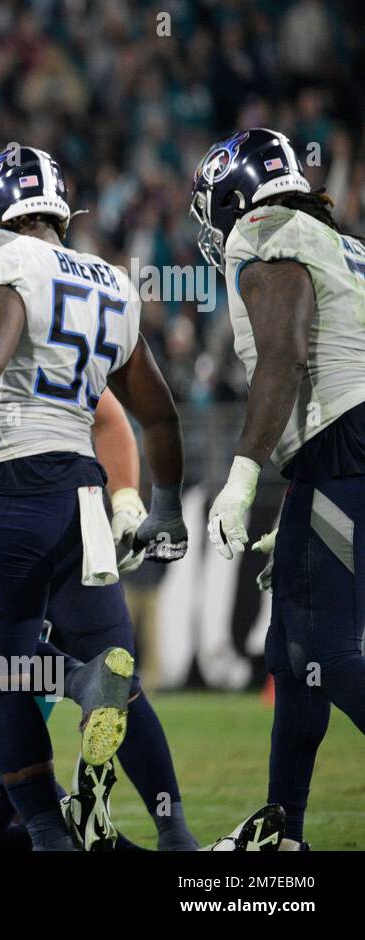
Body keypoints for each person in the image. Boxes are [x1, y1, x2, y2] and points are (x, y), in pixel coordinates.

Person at [0, 145, 193, 849]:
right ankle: (178, 837)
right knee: (118, 676)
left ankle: (47, 833)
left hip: (3, 492)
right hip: (81, 495)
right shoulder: (113, 282)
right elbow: (159, 412)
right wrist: (166, 504)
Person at [192, 127, 365, 851]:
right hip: (340, 455)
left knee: (327, 643)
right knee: (292, 647)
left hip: (341, 446)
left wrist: (240, 476)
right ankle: (283, 827)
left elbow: (286, 353)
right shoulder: (341, 240)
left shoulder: (263, 229)